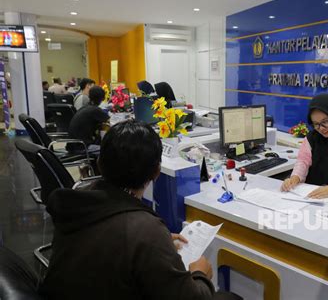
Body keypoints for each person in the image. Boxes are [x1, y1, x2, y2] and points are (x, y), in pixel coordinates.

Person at [40, 120, 238, 300]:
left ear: (99, 164)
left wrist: (154, 244)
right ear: (156, 172)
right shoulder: (145, 229)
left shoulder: (77, 200)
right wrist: (200, 275)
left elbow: (109, 242)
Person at [67, 86, 109, 153]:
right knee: (109, 149)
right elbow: (111, 123)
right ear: (103, 98)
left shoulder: (85, 107)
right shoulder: (95, 110)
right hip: (82, 147)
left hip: (73, 145)